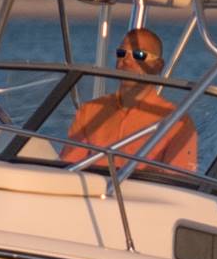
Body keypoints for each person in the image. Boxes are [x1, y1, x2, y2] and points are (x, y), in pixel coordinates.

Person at [65, 24, 201, 172]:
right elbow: (69, 167)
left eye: (139, 55)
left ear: (158, 66)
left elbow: (178, 184)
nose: (126, 61)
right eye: (122, 53)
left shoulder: (178, 122)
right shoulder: (89, 111)